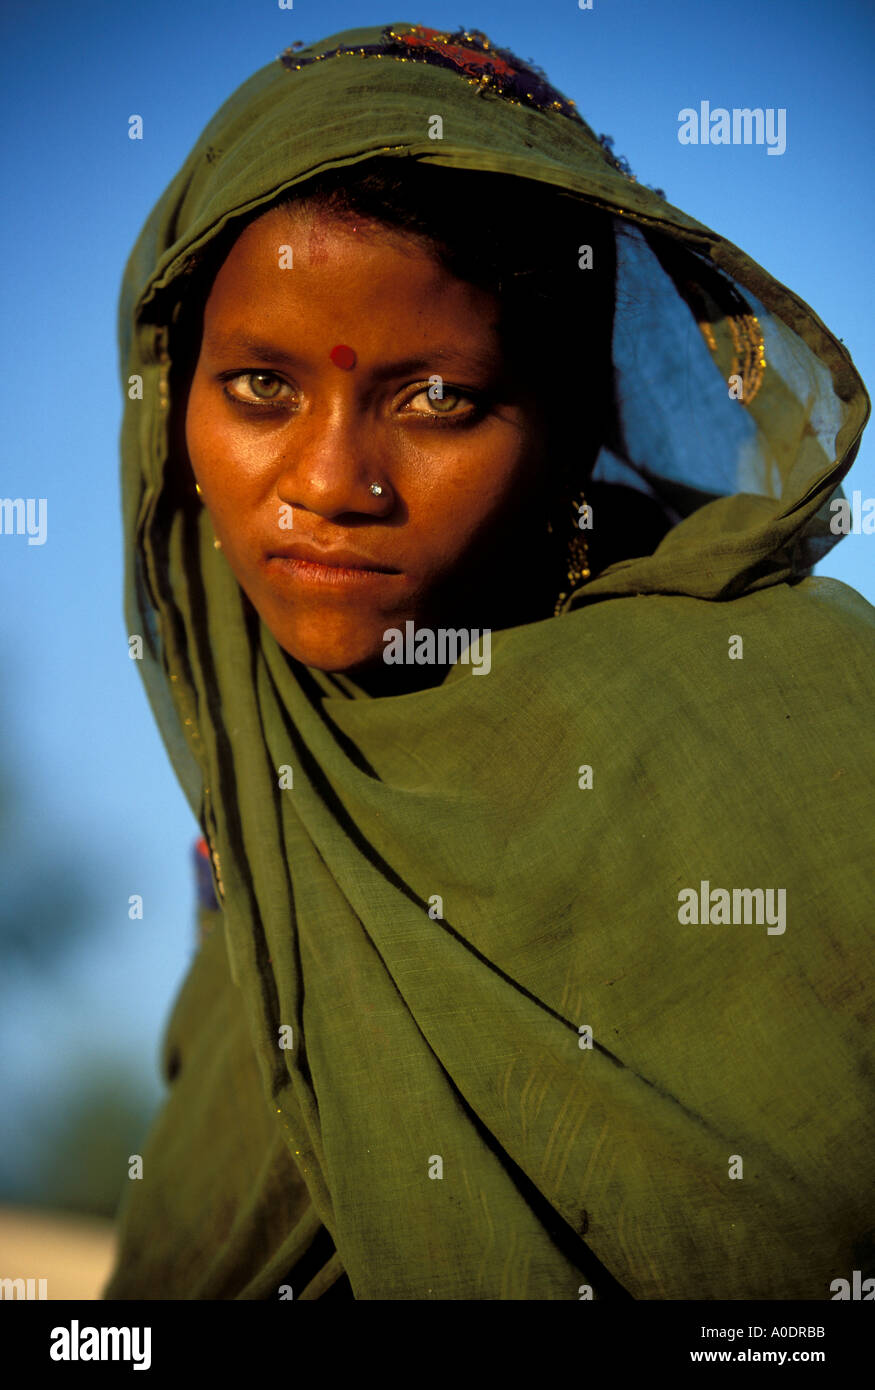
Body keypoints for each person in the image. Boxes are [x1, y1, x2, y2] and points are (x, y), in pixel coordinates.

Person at [104, 22, 874, 1300]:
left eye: (436, 400)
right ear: (172, 400)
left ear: (569, 417)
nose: (329, 483)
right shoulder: (263, 796)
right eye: (258, 387)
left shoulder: (796, 721)